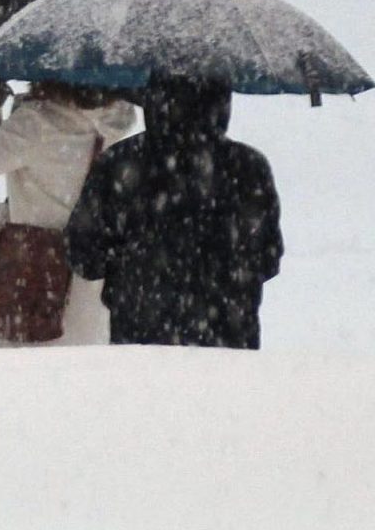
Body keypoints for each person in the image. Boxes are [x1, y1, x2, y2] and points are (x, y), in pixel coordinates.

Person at [66, 74, 282, 349]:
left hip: (139, 333)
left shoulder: (119, 163)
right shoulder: (249, 167)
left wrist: (130, 269)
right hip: (228, 337)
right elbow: (267, 257)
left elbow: (85, 255)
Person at [0, 77, 137, 345]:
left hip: (30, 280)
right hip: (88, 288)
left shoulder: (36, 124)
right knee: (75, 376)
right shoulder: (117, 123)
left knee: (15, 377)